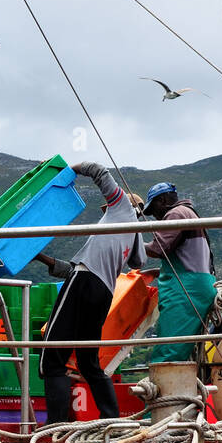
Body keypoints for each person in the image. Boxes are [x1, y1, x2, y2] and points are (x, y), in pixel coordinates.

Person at [33, 162, 147, 423]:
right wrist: (43, 259)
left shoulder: (121, 209)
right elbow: (137, 262)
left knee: (52, 357)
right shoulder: (132, 233)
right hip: (101, 292)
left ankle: (55, 426)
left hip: (85, 281)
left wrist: (68, 170)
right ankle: (110, 418)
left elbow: (98, 170)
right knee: (88, 362)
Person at [141, 182, 217, 363]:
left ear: (163, 200)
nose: (157, 218)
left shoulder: (175, 214)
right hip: (197, 285)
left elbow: (158, 249)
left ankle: (166, 389)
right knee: (184, 347)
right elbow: (190, 257)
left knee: (170, 349)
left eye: (154, 210)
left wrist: (131, 243)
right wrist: (161, 271)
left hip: (185, 290)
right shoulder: (189, 213)